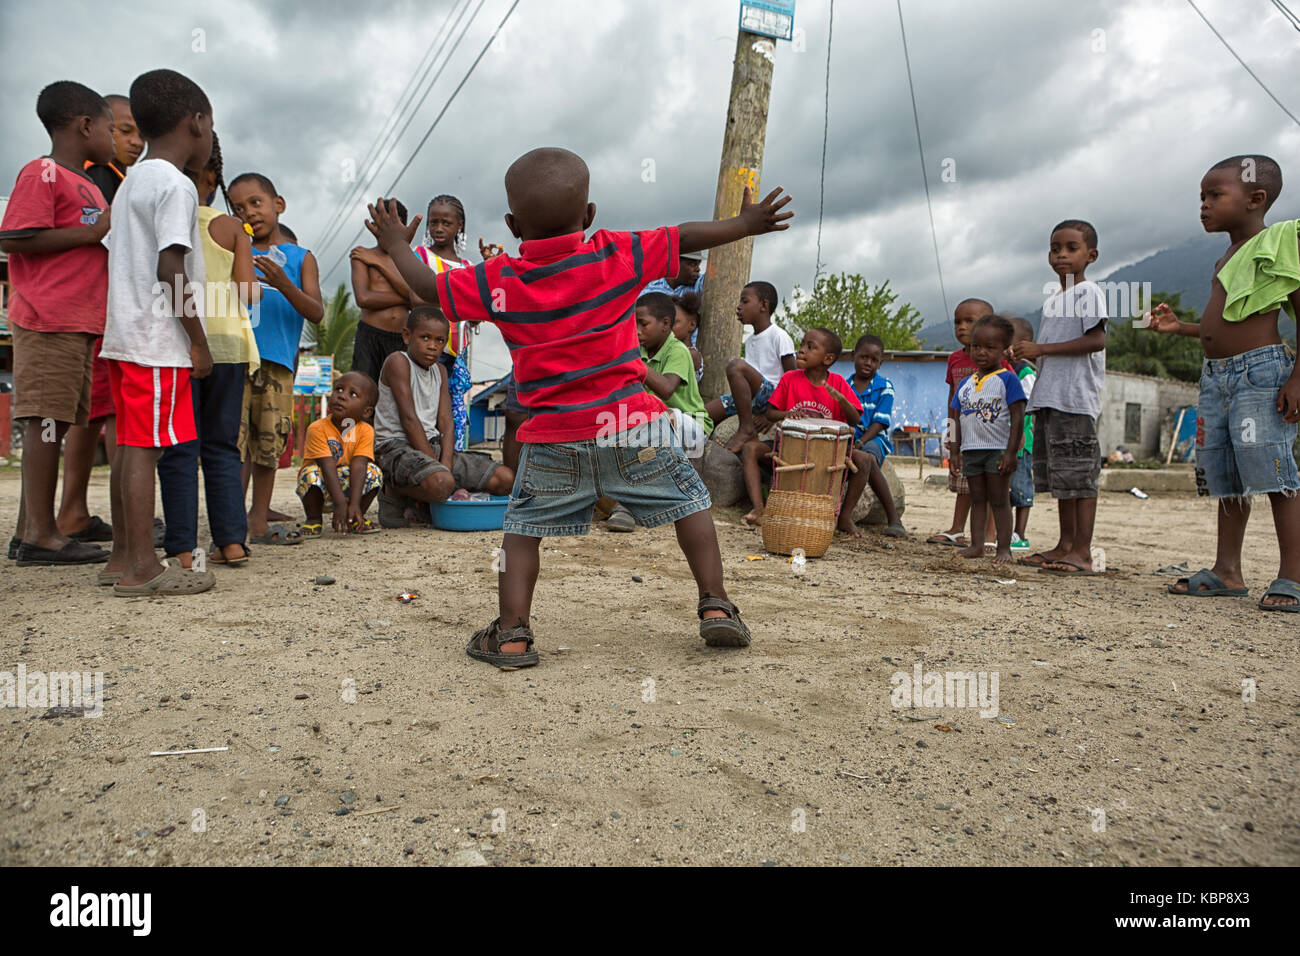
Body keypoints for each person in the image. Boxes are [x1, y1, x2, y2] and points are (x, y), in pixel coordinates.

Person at [367, 147, 793, 667]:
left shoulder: (499, 279)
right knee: (691, 505)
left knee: (523, 530)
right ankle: (716, 606)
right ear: (588, 216)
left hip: (552, 434)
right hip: (633, 423)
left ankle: (513, 633)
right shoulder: (615, 253)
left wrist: (393, 244)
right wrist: (744, 223)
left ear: (512, 224)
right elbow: (684, 237)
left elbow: (430, 285)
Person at [1148, 155, 1299, 611]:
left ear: (1256, 199)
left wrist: (1298, 376)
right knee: (1226, 474)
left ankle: (1292, 575)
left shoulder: (1279, 243)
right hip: (1217, 377)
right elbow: (1225, 324)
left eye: (1215, 195)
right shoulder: (1226, 256)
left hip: (1261, 371)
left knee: (1276, 475)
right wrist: (1183, 329)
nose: (1204, 205)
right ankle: (1227, 570)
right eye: (1202, 197)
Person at [99, 68, 217, 596]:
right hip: (155, 340)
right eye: (211, 127)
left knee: (130, 445)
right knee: (147, 449)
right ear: (196, 122)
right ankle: (144, 568)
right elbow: (170, 268)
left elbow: (122, 258)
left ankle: (122, 556)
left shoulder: (131, 186)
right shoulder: (175, 185)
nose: (211, 137)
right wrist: (197, 339)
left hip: (125, 335)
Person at [0, 80, 114, 567]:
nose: (113, 136)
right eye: (111, 126)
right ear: (85, 125)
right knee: (46, 421)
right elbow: (14, 238)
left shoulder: (89, 182)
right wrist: (91, 232)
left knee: (59, 422)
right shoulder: (44, 172)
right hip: (49, 317)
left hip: (79, 323)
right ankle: (41, 536)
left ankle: (32, 529)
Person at [156, 131, 261, 569]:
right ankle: (231, 542)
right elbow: (249, 293)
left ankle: (182, 548)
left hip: (183, 343)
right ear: (215, 180)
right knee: (222, 447)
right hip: (231, 347)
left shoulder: (167, 220)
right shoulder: (232, 227)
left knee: (180, 446)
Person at [59, 93, 143, 544]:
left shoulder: (116, 178)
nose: (135, 140)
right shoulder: (100, 180)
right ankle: (102, 515)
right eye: (125, 130)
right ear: (96, 126)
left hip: (102, 310)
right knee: (102, 414)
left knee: (94, 414)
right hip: (101, 311)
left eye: (139, 133)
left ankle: (77, 510)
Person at [227, 172, 324, 546]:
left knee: (268, 443)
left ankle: (257, 519)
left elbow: (315, 312)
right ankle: (232, 518)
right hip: (237, 356)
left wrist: (284, 283)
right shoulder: (234, 251)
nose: (249, 213)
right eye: (238, 208)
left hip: (277, 363)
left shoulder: (302, 258)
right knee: (234, 444)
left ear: (277, 205)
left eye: (256, 203)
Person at [1010, 219, 1107, 575]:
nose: (1061, 255)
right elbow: (1052, 351)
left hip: (1075, 400)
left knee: (1080, 477)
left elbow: (1096, 340)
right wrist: (1028, 354)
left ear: (1091, 255)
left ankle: (1082, 551)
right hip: (1050, 398)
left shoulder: (1088, 293)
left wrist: (1041, 347)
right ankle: (1064, 545)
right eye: (1055, 248)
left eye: (1071, 248)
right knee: (1062, 478)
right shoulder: (1056, 299)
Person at [374, 307, 513, 524]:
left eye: (440, 340)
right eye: (425, 338)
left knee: (504, 479)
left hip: (432, 446)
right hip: (395, 448)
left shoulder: (440, 371)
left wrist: (445, 464)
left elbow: (447, 423)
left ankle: (426, 500)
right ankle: (394, 492)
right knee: (441, 483)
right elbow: (409, 420)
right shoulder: (398, 362)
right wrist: (440, 469)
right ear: (407, 336)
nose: (432, 346)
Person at [738, 328, 871, 536]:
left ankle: (844, 518)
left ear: (827, 358)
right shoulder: (790, 378)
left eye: (810, 347)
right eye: (802, 345)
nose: (801, 351)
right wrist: (788, 413)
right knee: (750, 450)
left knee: (863, 460)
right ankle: (759, 508)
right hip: (789, 448)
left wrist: (842, 400)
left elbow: (856, 419)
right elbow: (770, 413)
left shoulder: (838, 383)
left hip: (828, 454)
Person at [411, 194, 498, 452]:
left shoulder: (468, 267)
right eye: (433, 222)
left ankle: (451, 467)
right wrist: (460, 300)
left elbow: (477, 313)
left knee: (452, 415)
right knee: (424, 412)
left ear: (459, 225)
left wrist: (488, 269)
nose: (438, 228)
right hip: (426, 353)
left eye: (445, 223)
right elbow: (416, 298)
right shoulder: (420, 256)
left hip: (457, 354)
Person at [950, 315, 1027, 564]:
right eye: (976, 346)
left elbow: (1017, 418)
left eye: (990, 347)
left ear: (1004, 350)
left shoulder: (1008, 380)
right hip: (971, 451)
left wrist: (1011, 453)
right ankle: (976, 545)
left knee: (999, 500)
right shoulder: (964, 384)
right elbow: (955, 419)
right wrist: (954, 451)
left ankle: (1004, 548)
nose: (981, 352)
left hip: (997, 451)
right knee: (977, 499)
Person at [926, 297, 992, 546]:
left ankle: (990, 536)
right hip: (964, 433)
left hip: (990, 434)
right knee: (964, 482)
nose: (961, 327)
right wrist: (952, 435)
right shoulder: (954, 359)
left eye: (969, 321)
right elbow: (952, 397)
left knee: (991, 485)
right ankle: (956, 529)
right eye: (957, 322)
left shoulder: (994, 359)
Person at [703, 281, 796, 452]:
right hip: (753, 397)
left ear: (764, 305)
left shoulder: (779, 336)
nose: (738, 307)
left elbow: (794, 379)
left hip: (772, 397)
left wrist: (773, 416)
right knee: (703, 413)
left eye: (744, 302)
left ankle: (746, 429)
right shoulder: (751, 340)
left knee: (736, 366)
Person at [297, 371, 383, 536]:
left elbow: (359, 465)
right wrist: (340, 504)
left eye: (353, 394)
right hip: (322, 487)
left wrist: (353, 504)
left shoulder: (366, 431)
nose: (342, 396)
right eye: (339, 389)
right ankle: (314, 519)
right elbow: (327, 465)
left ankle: (355, 516)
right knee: (310, 473)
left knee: (374, 472)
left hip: (348, 486)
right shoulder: (317, 428)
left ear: (366, 412)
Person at [636, 292, 712, 457]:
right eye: (635, 325)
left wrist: (634, 363)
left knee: (666, 416)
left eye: (643, 324)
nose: (638, 331)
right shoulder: (639, 351)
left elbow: (667, 388)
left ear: (665, 324)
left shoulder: (678, 350)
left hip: (691, 425)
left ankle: (648, 457)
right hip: (655, 424)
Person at [848, 334, 906, 537]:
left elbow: (880, 422)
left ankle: (894, 519)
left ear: (880, 363)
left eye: (874, 360)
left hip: (874, 438)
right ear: (854, 355)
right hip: (851, 438)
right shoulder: (845, 386)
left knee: (869, 459)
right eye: (863, 357)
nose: (868, 363)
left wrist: (862, 442)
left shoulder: (885, 387)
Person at [350, 198, 412, 383]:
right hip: (370, 335)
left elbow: (417, 298)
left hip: (402, 338)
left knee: (398, 393)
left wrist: (379, 263)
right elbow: (364, 298)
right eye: (378, 223)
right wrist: (406, 298)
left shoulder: (410, 259)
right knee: (364, 388)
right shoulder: (361, 254)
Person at [1006, 316, 1037, 551]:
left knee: (1021, 488)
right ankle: (1004, 531)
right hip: (1001, 442)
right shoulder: (1003, 371)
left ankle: (1020, 534)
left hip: (1021, 442)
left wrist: (1019, 434)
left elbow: (1026, 406)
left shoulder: (1025, 372)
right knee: (1003, 489)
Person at [83, 94, 142, 203]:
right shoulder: (98, 173)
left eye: (142, 136)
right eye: (125, 131)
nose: (137, 142)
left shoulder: (120, 177)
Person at [640, 249, 704, 299]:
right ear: (674, 263)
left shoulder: (699, 284)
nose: (698, 269)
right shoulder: (649, 287)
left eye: (698, 264)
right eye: (692, 264)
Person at [673, 291, 704, 382]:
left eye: (674, 322)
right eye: (666, 322)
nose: (668, 327)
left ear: (692, 325)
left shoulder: (691, 354)